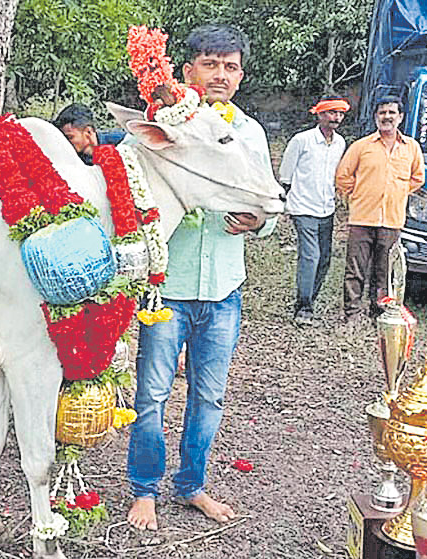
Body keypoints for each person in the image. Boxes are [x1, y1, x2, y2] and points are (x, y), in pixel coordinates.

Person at [126, 24, 277, 531]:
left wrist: (261, 221)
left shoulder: (251, 133)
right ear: (187, 70)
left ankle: (192, 486)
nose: (221, 75)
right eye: (210, 64)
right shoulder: (165, 126)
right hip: (166, 289)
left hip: (224, 291)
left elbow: (267, 199)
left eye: (230, 66)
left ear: (240, 75)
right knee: (151, 394)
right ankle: (144, 489)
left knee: (208, 396)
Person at [336, 95, 425, 321]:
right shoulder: (362, 146)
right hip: (362, 219)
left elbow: (417, 178)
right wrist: (359, 195)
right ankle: (353, 313)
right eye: (382, 112)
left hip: (392, 221)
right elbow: (343, 176)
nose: (387, 117)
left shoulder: (411, 148)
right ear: (376, 116)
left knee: (384, 271)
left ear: (400, 117)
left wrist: (397, 192)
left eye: (391, 112)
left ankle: (379, 312)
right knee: (355, 269)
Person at [278, 96, 350, 325]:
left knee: (325, 259)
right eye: (331, 112)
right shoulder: (302, 140)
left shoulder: (340, 143)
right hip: (303, 206)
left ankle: (308, 300)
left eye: (339, 113)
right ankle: (304, 308)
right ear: (319, 115)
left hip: (326, 207)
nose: (336, 118)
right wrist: (287, 201)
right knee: (311, 256)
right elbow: (286, 174)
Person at [52, 103, 125, 165]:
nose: (66, 142)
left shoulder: (122, 143)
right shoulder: (69, 158)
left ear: (88, 132)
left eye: (70, 137)